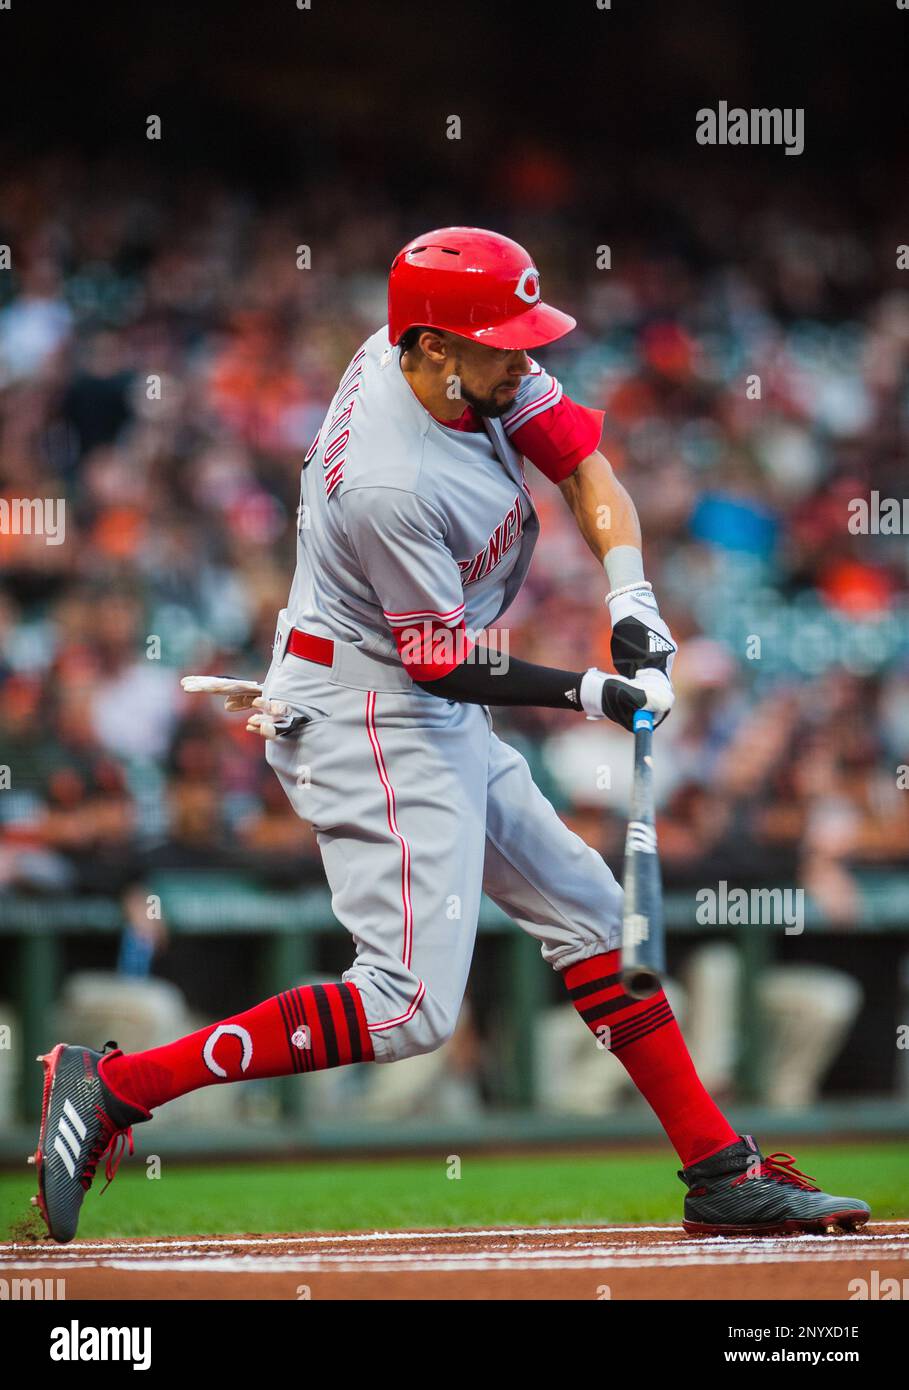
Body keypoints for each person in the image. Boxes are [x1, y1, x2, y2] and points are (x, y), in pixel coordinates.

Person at [31, 228, 868, 1243]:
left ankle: (719, 1170)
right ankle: (115, 1086)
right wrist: (592, 691)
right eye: (501, 342)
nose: (524, 359)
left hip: (413, 692)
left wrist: (632, 591)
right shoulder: (391, 477)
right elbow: (435, 660)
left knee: (592, 916)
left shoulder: (450, 366)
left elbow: (582, 464)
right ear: (430, 345)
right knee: (406, 1009)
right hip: (366, 709)